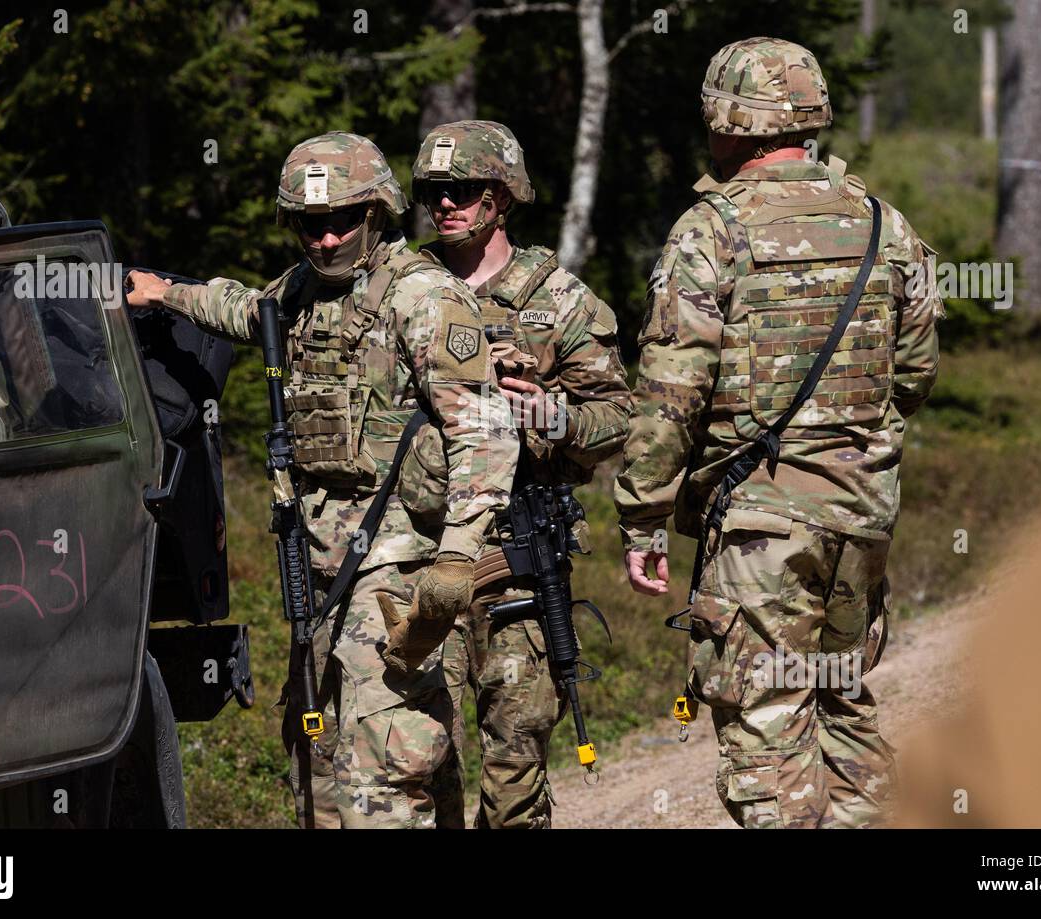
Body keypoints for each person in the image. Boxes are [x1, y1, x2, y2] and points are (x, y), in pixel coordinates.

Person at [126, 131, 518, 829]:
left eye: (343, 220)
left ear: (378, 215)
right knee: (321, 763)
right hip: (321, 564)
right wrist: (168, 295)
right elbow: (249, 312)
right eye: (312, 224)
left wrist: (458, 557)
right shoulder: (303, 290)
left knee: (383, 765)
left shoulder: (422, 298)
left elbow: (484, 431)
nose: (327, 237)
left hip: (400, 564)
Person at [614, 38, 942, 829]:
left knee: (765, 718)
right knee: (838, 698)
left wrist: (643, 514)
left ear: (728, 119)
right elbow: (916, 368)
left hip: (762, 524)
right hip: (863, 514)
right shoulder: (880, 222)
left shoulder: (711, 230)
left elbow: (671, 392)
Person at [410, 120, 632, 828]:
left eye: (463, 190)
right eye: (433, 192)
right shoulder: (404, 286)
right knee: (419, 759)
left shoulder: (557, 298)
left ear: (501, 198)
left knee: (514, 769)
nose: (445, 204)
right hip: (418, 559)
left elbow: (621, 419)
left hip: (516, 569)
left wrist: (555, 416)